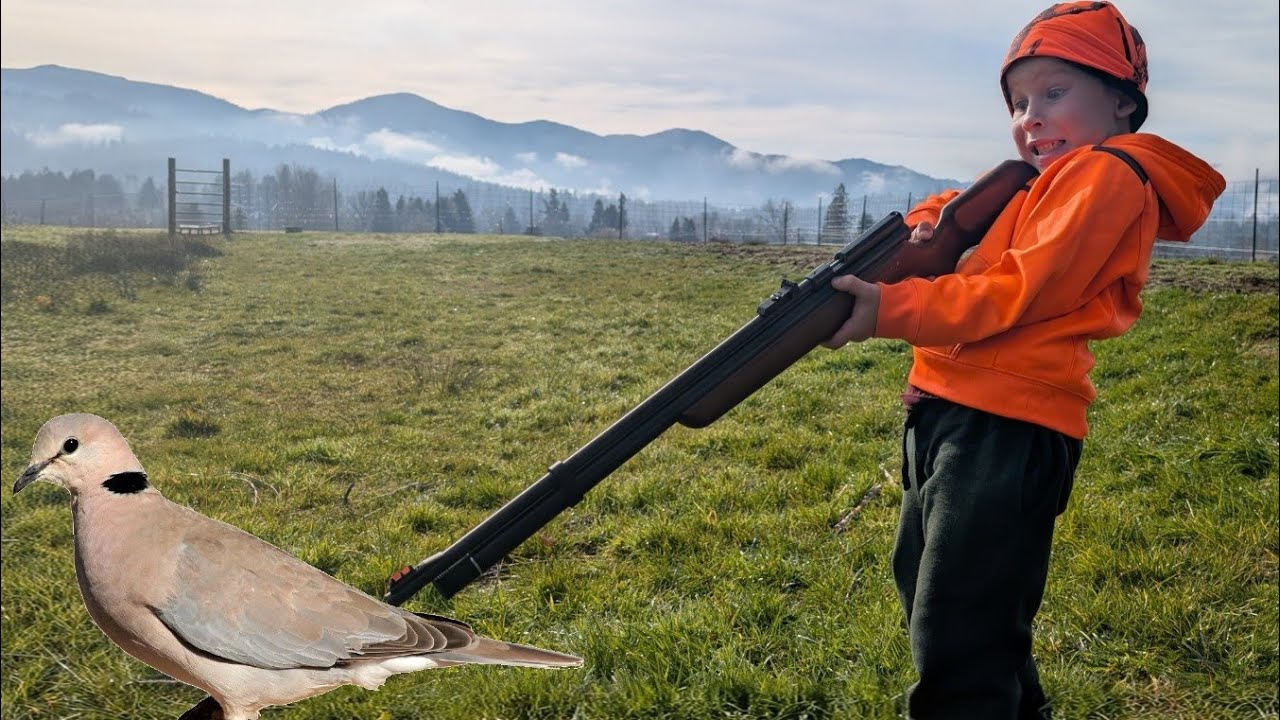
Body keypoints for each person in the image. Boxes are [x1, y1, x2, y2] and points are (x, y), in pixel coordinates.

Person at [822, 3, 1226, 718]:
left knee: (961, 637)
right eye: (1018, 102)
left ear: (1123, 102)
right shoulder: (1039, 185)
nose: (1030, 117)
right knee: (935, 595)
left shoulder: (1107, 178)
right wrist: (923, 226)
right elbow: (953, 212)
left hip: (1005, 430)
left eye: (1054, 93)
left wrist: (893, 311)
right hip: (950, 415)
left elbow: (1015, 292)